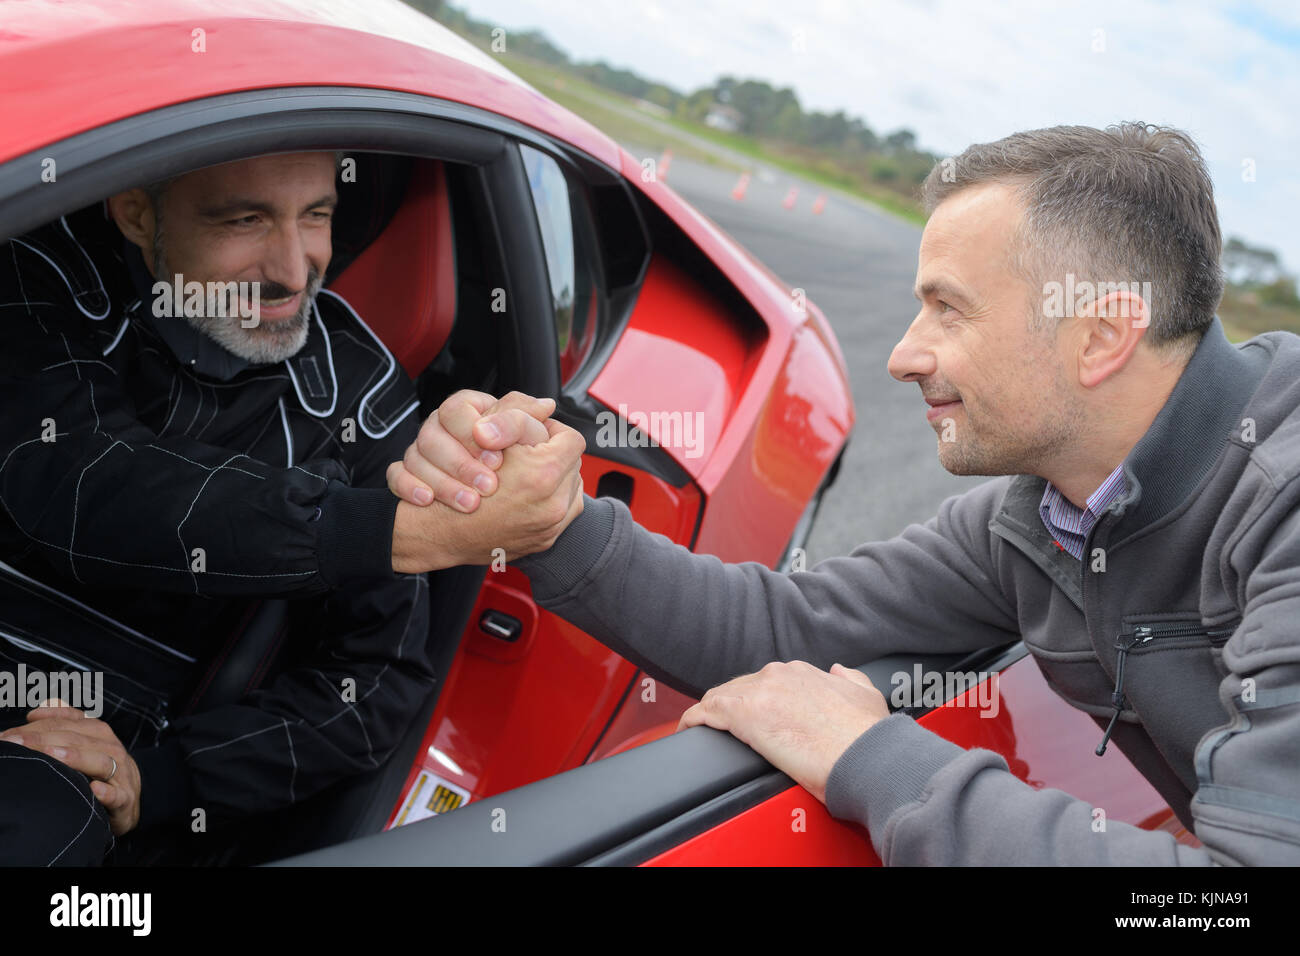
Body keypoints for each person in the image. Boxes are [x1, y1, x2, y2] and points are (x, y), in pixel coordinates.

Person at [387, 123, 1300, 865]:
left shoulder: (1282, 501)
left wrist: (870, 756)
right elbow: (784, 629)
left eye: (949, 309)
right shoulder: (1043, 516)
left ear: (1101, 339)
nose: (904, 353)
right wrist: (553, 523)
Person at [0, 150, 584, 865]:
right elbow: (74, 477)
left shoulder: (362, 401)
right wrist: (392, 531)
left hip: (98, 758)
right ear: (137, 213)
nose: (290, 268)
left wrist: (157, 778)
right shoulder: (41, 270)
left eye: (316, 216)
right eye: (244, 219)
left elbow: (375, 682)